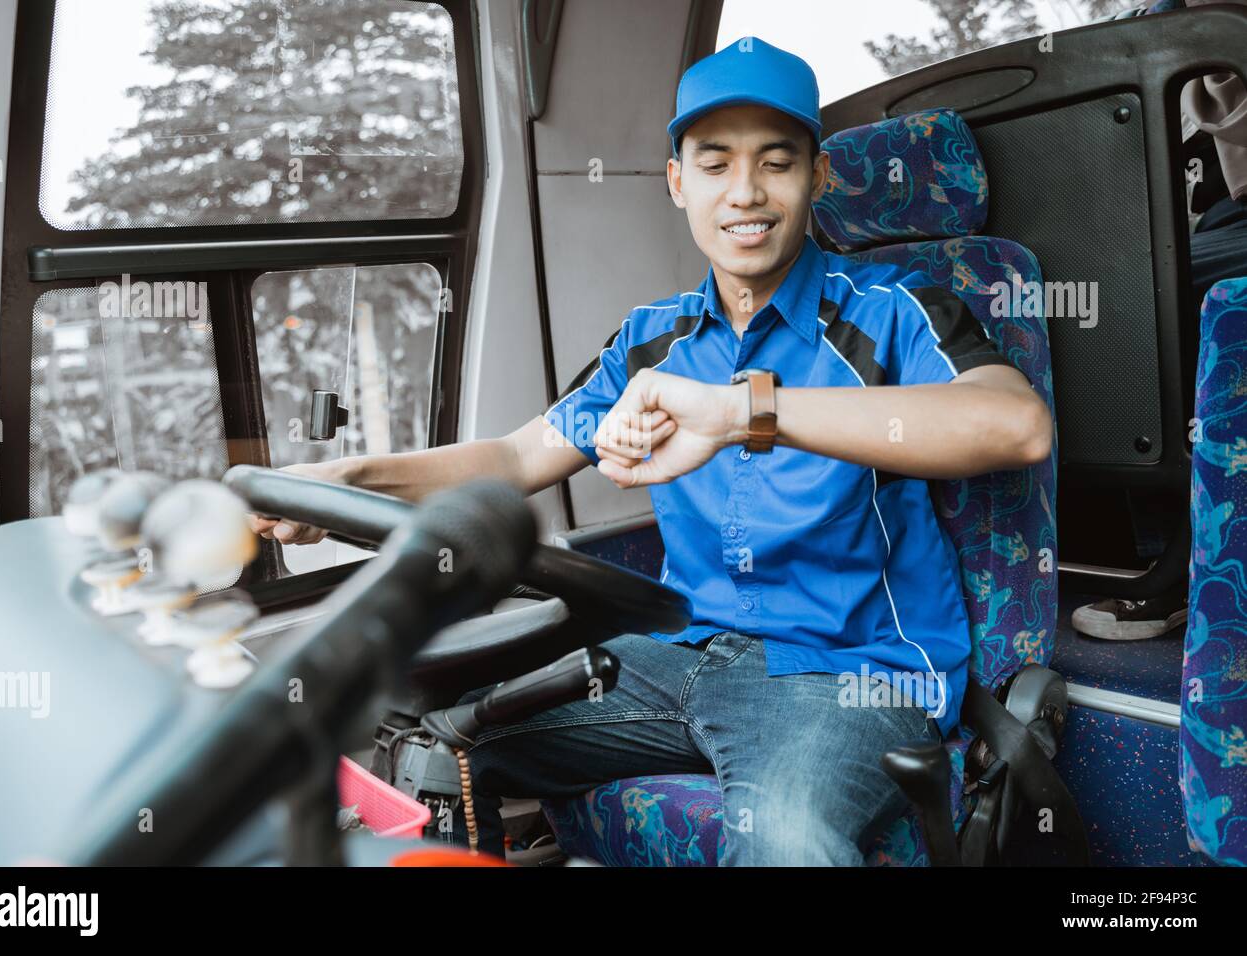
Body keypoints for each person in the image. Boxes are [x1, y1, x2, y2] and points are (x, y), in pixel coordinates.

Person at [251, 38, 1053, 865]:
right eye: (714, 164)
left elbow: (1013, 425)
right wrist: (350, 478)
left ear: (817, 177)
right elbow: (515, 460)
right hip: (670, 658)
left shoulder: (892, 313)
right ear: (678, 182)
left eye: (776, 163)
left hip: (845, 675)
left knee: (783, 839)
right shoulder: (649, 342)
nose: (745, 192)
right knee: (436, 750)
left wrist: (744, 412)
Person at [1072, 0, 1247, 642]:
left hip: (1227, 232)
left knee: (1162, 291)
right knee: (1094, 291)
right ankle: (1157, 549)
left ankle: (1191, 563)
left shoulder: (1208, 37)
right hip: (1199, 231)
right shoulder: (1136, 32)